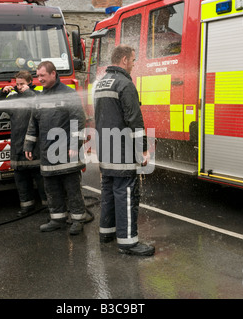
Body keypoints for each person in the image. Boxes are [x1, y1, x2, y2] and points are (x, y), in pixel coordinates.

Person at [94, 44, 155, 256]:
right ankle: (128, 242)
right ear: (124, 61)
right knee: (126, 193)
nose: (134, 64)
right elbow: (134, 120)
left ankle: (107, 232)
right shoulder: (124, 84)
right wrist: (143, 150)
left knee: (109, 191)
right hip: (122, 152)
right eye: (133, 60)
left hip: (106, 150)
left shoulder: (101, 83)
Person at [25, 61, 86, 235]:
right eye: (38, 76)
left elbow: (78, 120)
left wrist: (75, 144)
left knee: (72, 188)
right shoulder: (39, 98)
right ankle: (57, 219)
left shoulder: (69, 94)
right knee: (51, 187)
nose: (39, 79)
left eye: (42, 75)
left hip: (66, 151)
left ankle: (77, 220)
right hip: (46, 151)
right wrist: (29, 144)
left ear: (53, 74)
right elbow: (33, 123)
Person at [0, 71, 47, 216]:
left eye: (22, 84)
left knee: (41, 179)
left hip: (34, 146)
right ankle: (27, 206)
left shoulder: (37, 96)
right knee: (21, 180)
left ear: (29, 83)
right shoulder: (14, 99)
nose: (19, 87)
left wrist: (27, 92)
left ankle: (47, 207)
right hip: (17, 145)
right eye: (17, 84)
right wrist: (2, 93)